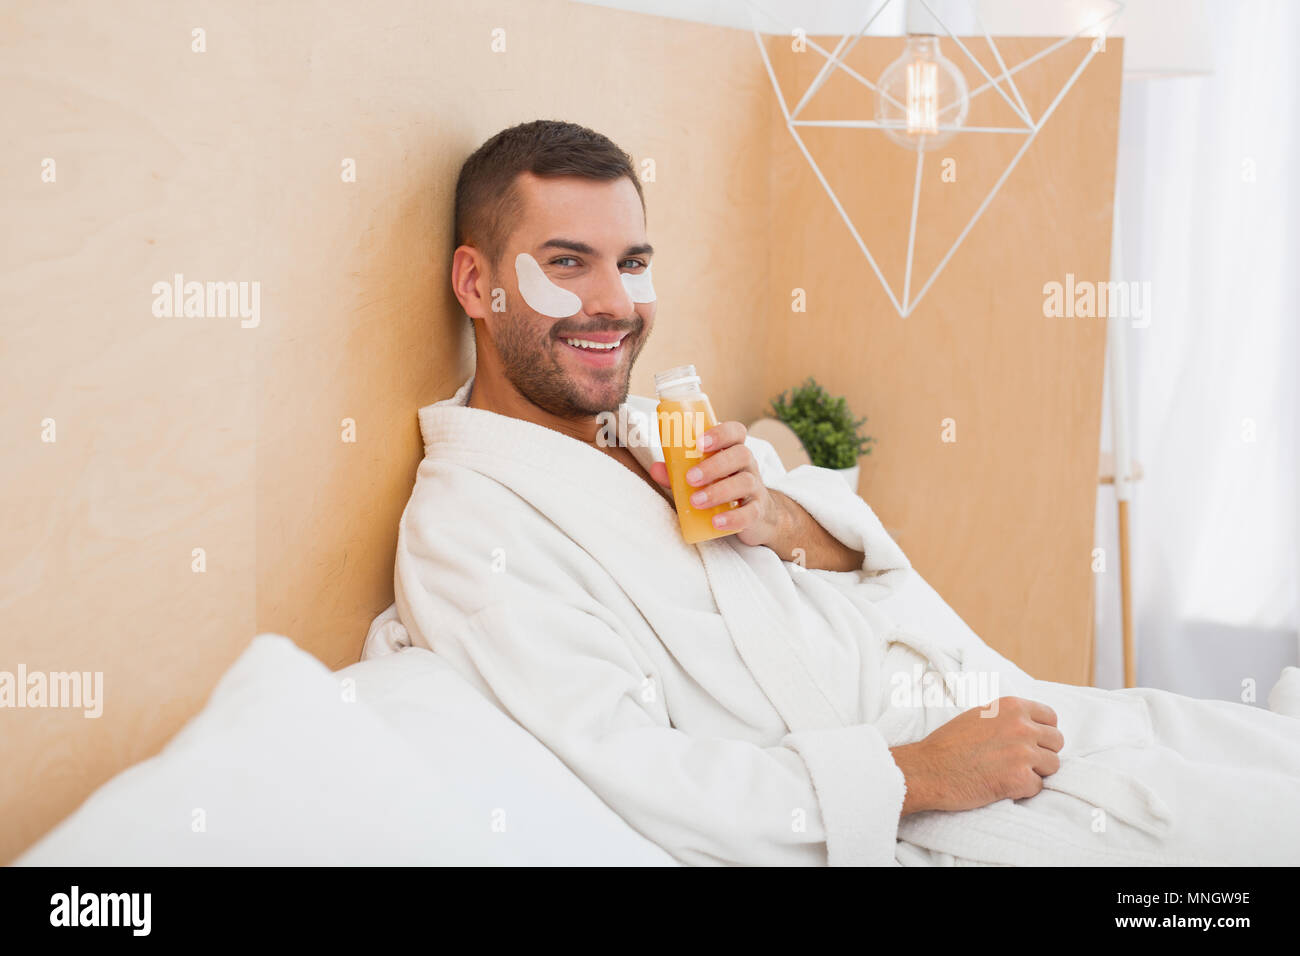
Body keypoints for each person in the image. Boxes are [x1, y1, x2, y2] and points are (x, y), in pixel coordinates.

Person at [377, 119, 1300, 866]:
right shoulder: (469, 530)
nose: (616, 301)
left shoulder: (652, 426)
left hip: (999, 715)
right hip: (922, 801)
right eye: (568, 263)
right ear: (476, 282)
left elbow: (855, 558)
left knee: (1254, 751)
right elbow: (642, 775)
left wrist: (776, 515)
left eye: (633, 262)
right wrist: (923, 773)